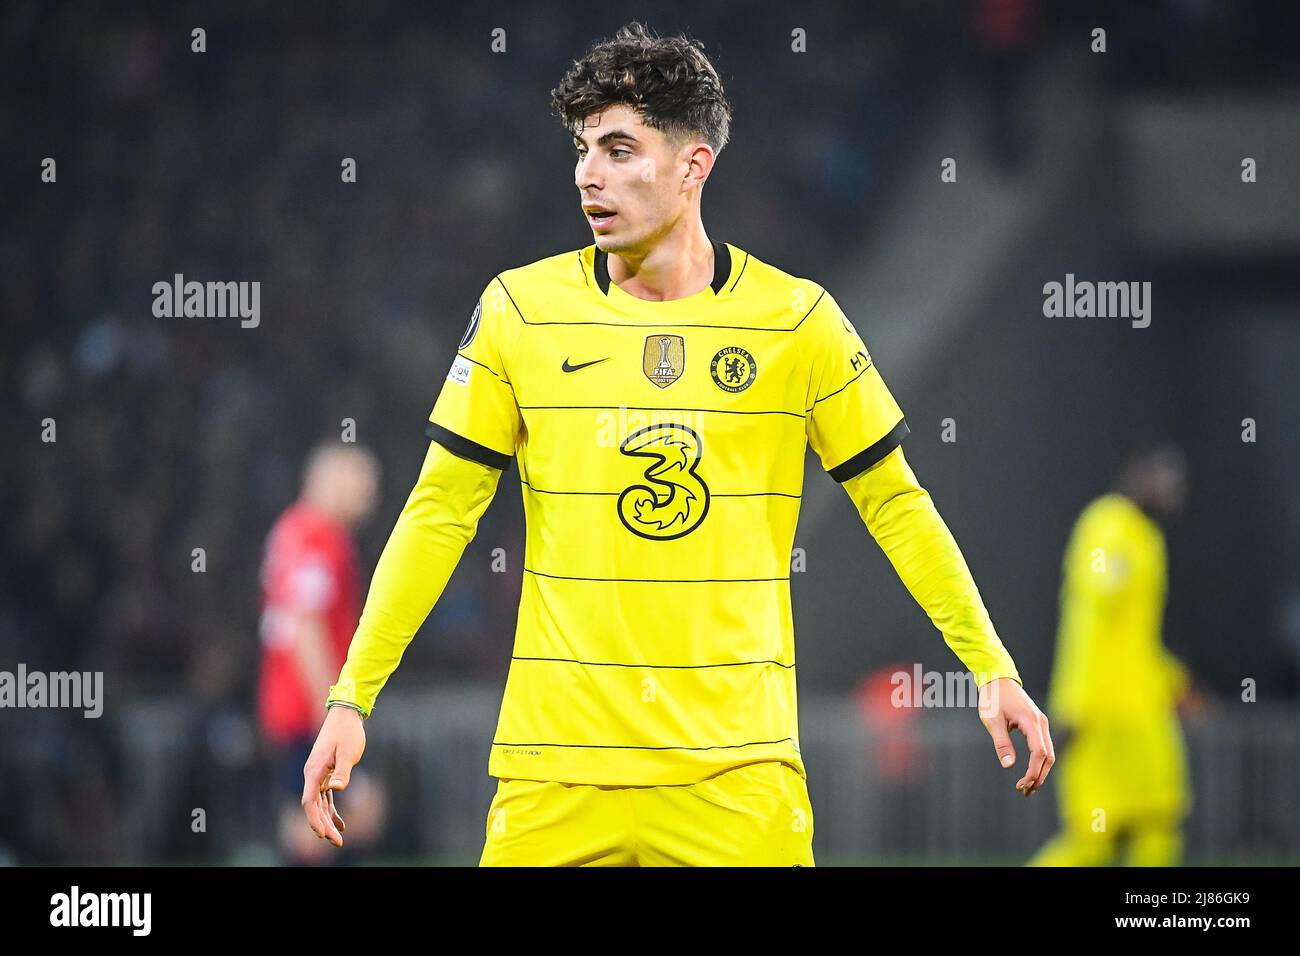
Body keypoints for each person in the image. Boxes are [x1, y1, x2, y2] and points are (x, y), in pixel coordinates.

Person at [303, 21, 1053, 866]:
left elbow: (894, 504)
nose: (590, 172)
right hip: (556, 775)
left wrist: (989, 664)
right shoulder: (520, 311)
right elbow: (440, 509)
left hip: (735, 778)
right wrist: (352, 696)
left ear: (694, 165)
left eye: (620, 149)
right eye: (584, 148)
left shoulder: (797, 323)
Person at [1030, 443, 1198, 866]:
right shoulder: (1108, 524)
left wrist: (1176, 684)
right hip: (1100, 711)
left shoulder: (1147, 538)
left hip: (1141, 709)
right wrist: (1074, 706)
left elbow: (1135, 638)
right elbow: (1092, 614)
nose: (1174, 487)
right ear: (1138, 476)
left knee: (1158, 822)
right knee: (1094, 836)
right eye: (1164, 476)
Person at [258, 441, 385, 864]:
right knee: (327, 827)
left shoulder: (289, 529)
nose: (370, 495)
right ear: (329, 480)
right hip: (308, 708)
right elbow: (306, 630)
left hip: (288, 706)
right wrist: (332, 711)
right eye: (361, 482)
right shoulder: (318, 536)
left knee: (311, 824)